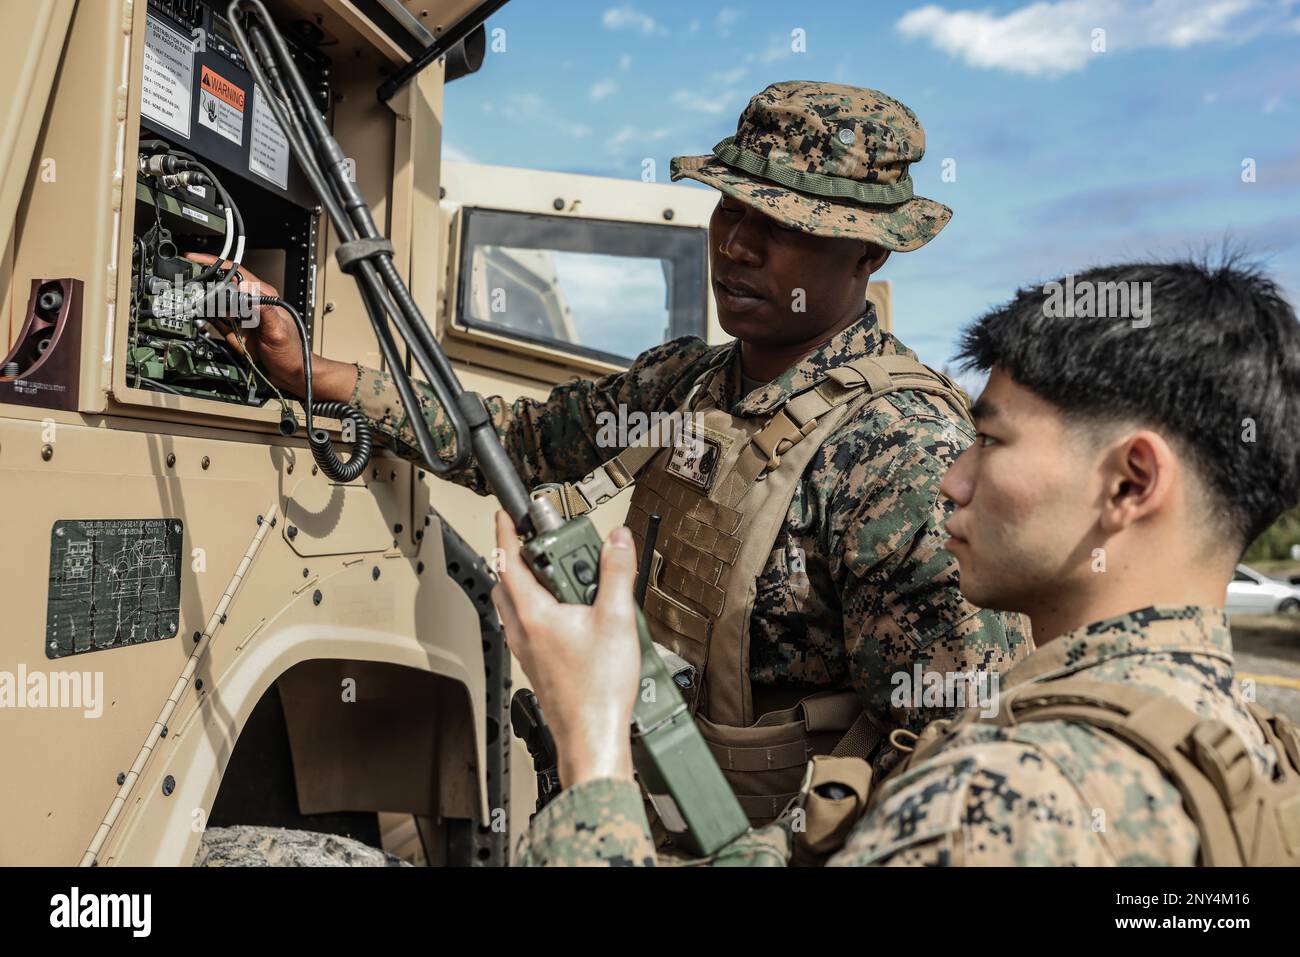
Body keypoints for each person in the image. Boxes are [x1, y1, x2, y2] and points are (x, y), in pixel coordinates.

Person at [194, 81, 1029, 825]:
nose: (737, 245)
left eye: (779, 225)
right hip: (622, 818)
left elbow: (955, 751)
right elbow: (513, 442)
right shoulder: (685, 383)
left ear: (868, 252)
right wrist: (317, 373)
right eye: (732, 209)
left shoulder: (902, 453)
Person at [493, 257, 1300, 866]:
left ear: (1131, 481)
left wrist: (591, 743)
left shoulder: (1003, 802)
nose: (951, 477)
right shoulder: (1241, 746)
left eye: (990, 440)